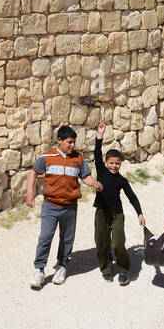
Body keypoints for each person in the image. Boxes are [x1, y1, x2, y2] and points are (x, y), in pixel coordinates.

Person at [26, 124, 101, 289]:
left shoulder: (78, 159)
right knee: (45, 238)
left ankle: (62, 266)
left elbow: (86, 177)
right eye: (69, 142)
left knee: (67, 239)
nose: (73, 145)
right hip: (50, 206)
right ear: (59, 141)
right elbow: (33, 173)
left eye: (74, 142)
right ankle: (39, 270)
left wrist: (94, 183)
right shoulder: (47, 157)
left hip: (70, 207)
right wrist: (30, 194)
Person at [92, 122, 145, 285]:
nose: (114, 166)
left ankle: (123, 269)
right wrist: (100, 135)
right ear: (106, 162)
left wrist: (140, 213)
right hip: (101, 213)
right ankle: (106, 269)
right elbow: (96, 153)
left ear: (120, 164)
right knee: (102, 243)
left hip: (117, 215)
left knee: (117, 243)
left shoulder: (122, 180)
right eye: (111, 163)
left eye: (117, 163)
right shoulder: (101, 170)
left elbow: (132, 197)